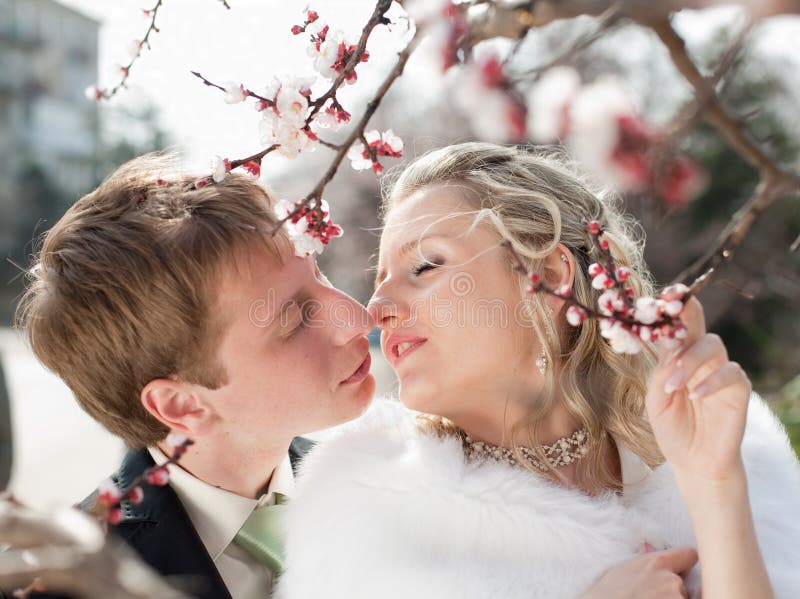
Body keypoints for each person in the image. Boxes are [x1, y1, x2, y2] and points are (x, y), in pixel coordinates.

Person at [276, 143, 800, 598]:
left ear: (547, 276)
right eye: (380, 279)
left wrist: (714, 482)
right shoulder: (366, 514)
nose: (376, 307)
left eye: (425, 266)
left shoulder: (732, 453)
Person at [12, 154, 376, 599]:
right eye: (296, 318)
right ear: (182, 405)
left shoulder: (387, 486)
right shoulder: (72, 585)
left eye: (319, 273)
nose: (359, 317)